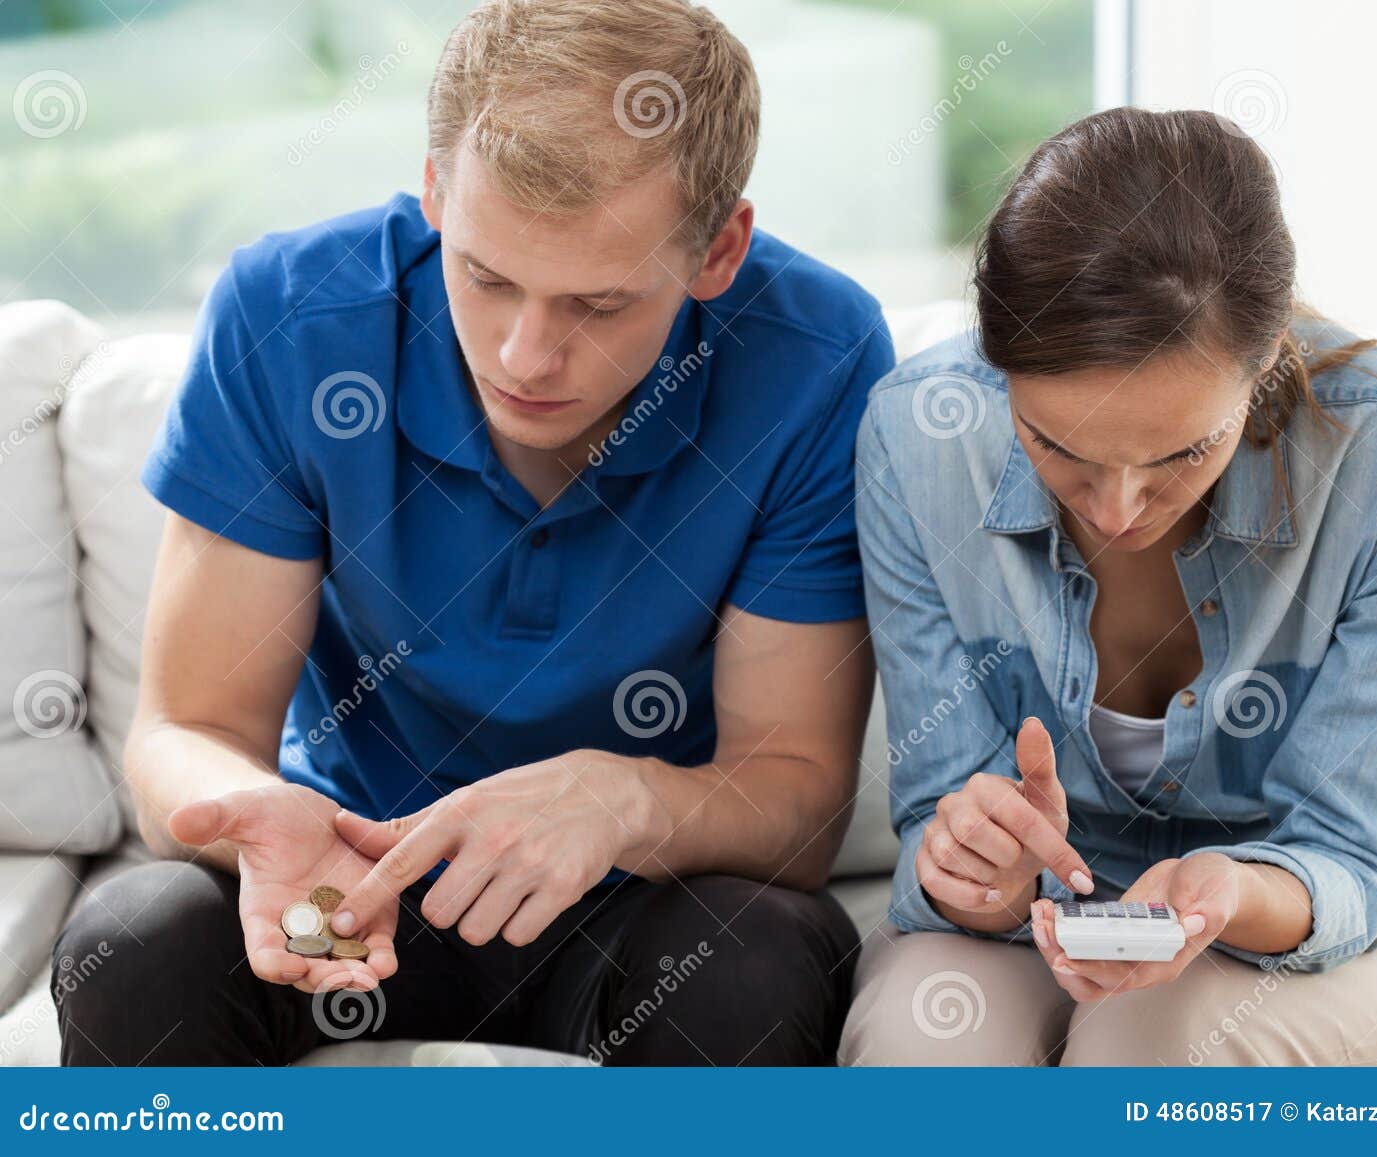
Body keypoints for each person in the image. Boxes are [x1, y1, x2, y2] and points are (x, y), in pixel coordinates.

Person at [53, 0, 890, 1067]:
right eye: (488, 278)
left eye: (598, 304)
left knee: (756, 956)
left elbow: (796, 797)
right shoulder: (290, 317)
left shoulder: (814, 355)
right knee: (133, 939)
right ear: (437, 192)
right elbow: (186, 729)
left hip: (635, 906)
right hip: (347, 883)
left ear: (719, 248)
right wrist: (262, 813)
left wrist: (623, 797)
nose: (525, 356)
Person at [841, 107, 1377, 1067]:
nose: (1117, 508)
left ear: (1265, 363)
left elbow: (1354, 854)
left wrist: (1232, 890)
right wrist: (992, 874)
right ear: (997, 361)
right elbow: (941, 807)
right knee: (920, 1049)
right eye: (1057, 445)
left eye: (1181, 452)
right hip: (1049, 924)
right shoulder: (918, 438)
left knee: (1146, 1044)